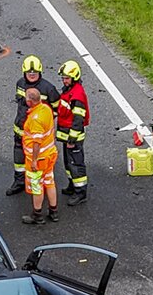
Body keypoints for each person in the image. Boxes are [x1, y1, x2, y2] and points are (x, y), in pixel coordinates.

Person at [6, 55, 58, 196]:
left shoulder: (48, 88)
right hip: (20, 130)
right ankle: (19, 182)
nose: (32, 75)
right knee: (19, 160)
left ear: (40, 72)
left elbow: (55, 108)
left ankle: (41, 186)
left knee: (39, 161)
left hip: (37, 134)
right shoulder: (20, 84)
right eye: (29, 73)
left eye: (35, 73)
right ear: (24, 73)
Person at [19, 86, 60, 225]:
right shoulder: (46, 109)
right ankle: (53, 211)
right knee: (50, 182)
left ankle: (37, 214)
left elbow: (37, 141)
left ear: (30, 102)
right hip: (50, 154)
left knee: (37, 186)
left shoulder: (35, 119)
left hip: (38, 158)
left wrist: (34, 161)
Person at [56, 60, 90, 205]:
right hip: (67, 135)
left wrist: (71, 140)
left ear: (75, 77)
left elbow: (78, 120)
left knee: (76, 164)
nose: (64, 81)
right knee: (68, 163)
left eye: (67, 78)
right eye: (63, 78)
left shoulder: (77, 95)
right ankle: (72, 185)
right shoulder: (69, 90)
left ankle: (80, 192)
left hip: (73, 138)